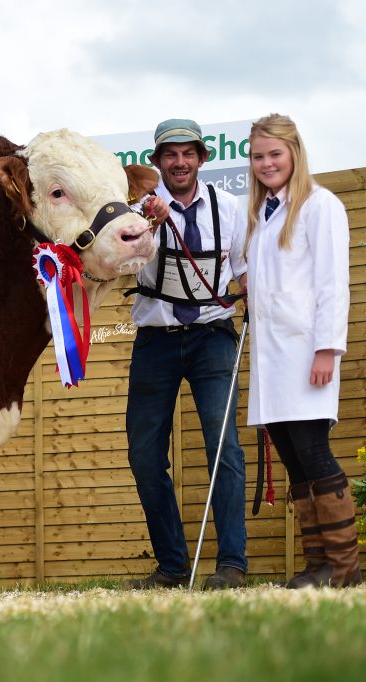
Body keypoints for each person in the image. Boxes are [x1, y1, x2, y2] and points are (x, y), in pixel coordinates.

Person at [123, 118, 249, 590]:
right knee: (144, 455)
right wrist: (146, 229)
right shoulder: (135, 210)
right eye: (169, 155)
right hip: (155, 341)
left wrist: (251, 295)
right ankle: (173, 566)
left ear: (201, 158)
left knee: (225, 449)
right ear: (156, 162)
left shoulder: (229, 207)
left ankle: (232, 565)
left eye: (188, 153)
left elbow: (241, 270)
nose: (179, 162)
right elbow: (123, 265)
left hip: (212, 337)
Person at [244, 114, 360, 588]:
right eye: (258, 156)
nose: (267, 163)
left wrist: (327, 350)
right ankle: (317, 565)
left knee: (313, 451)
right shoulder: (263, 213)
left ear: (294, 153)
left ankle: (344, 568)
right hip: (272, 359)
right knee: (293, 458)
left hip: (306, 353)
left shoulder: (320, 204)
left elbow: (334, 282)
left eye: (275, 153)